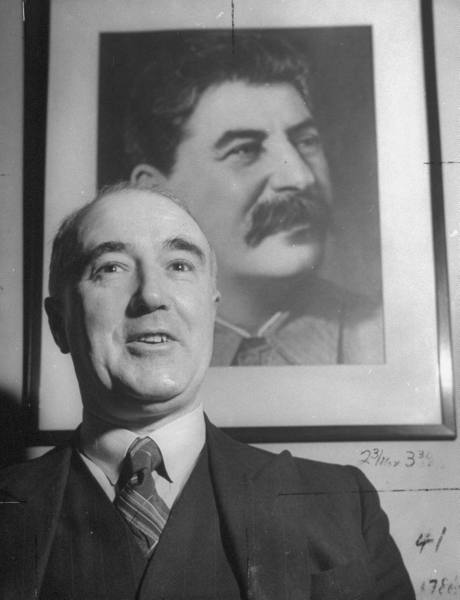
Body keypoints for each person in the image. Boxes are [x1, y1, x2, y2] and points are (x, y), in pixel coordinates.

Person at [0, 184, 413, 599]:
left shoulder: (343, 505)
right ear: (58, 322)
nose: (152, 295)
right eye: (111, 268)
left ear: (212, 309)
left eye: (179, 265)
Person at [123, 30, 384, 366]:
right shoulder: (123, 353)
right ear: (158, 194)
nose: (300, 178)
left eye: (306, 141)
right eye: (244, 150)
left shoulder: (383, 337)